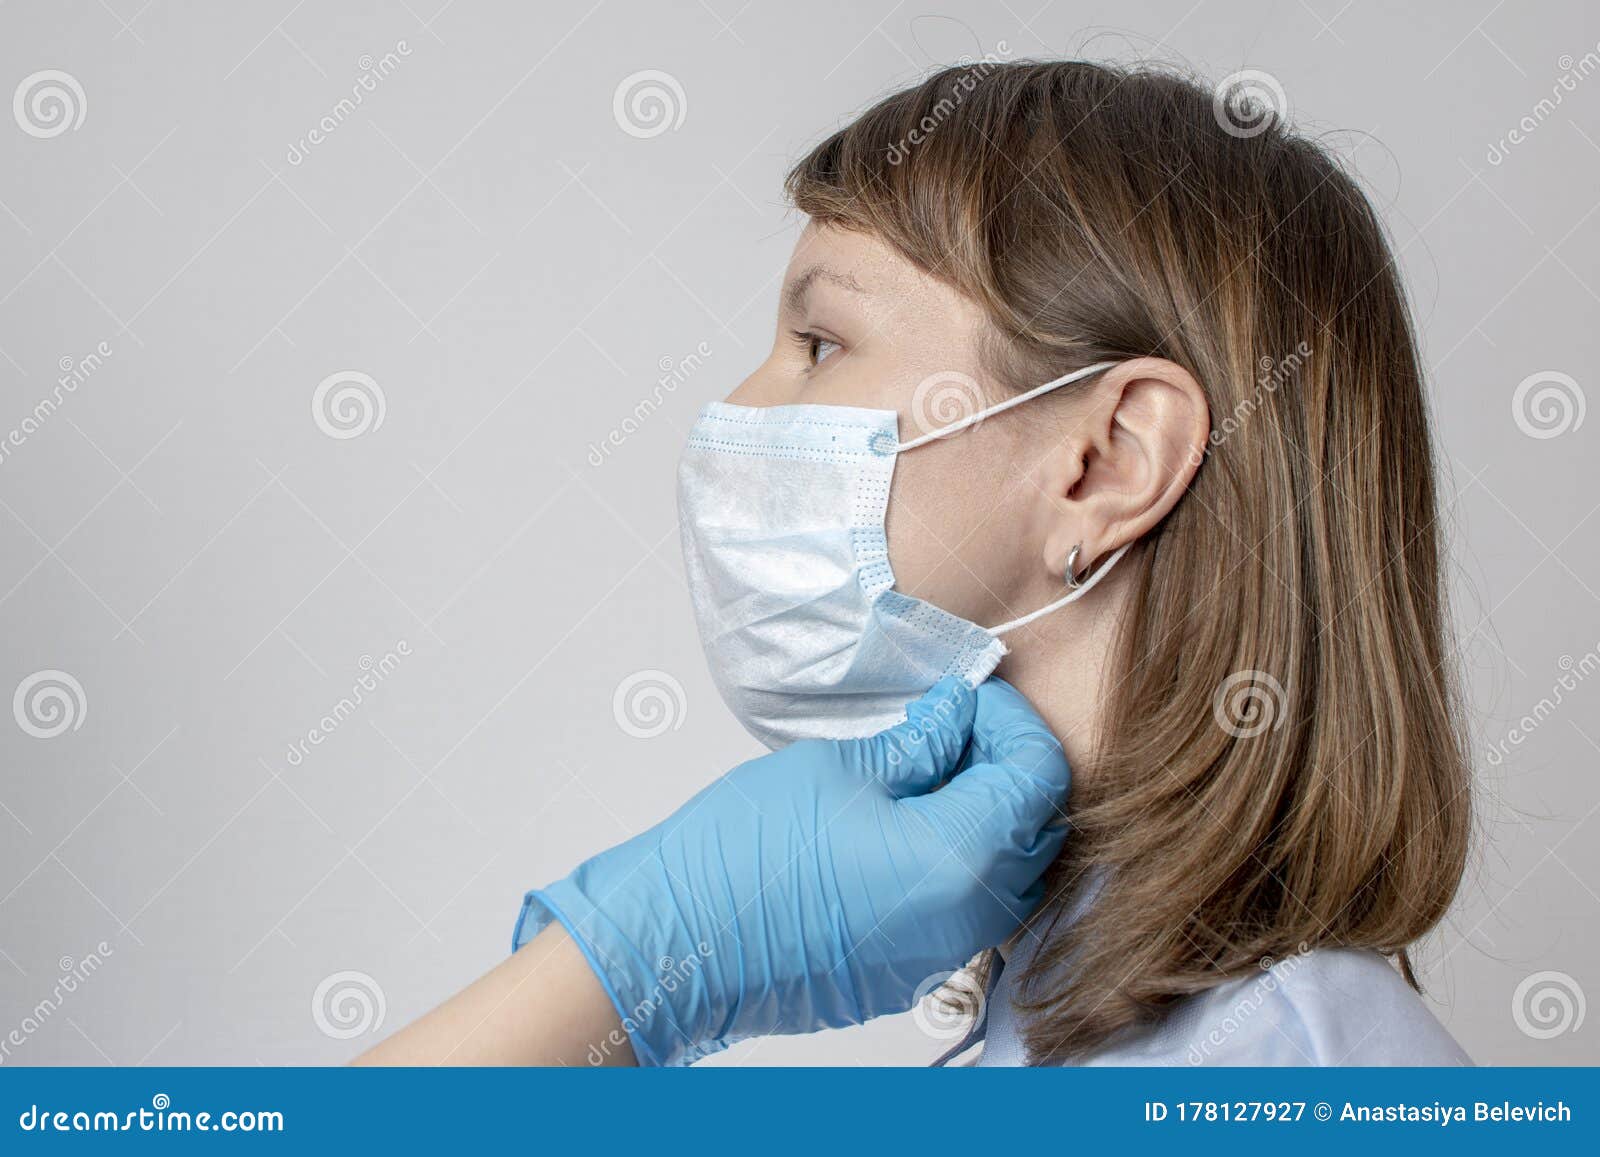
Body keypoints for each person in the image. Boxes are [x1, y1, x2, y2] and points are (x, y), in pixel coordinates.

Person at [361, 59, 1472, 1066]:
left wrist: (624, 970)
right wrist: (632, 980)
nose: (737, 411)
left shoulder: (1294, 1070)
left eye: (819, 345)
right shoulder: (1057, 1036)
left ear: (1108, 460)